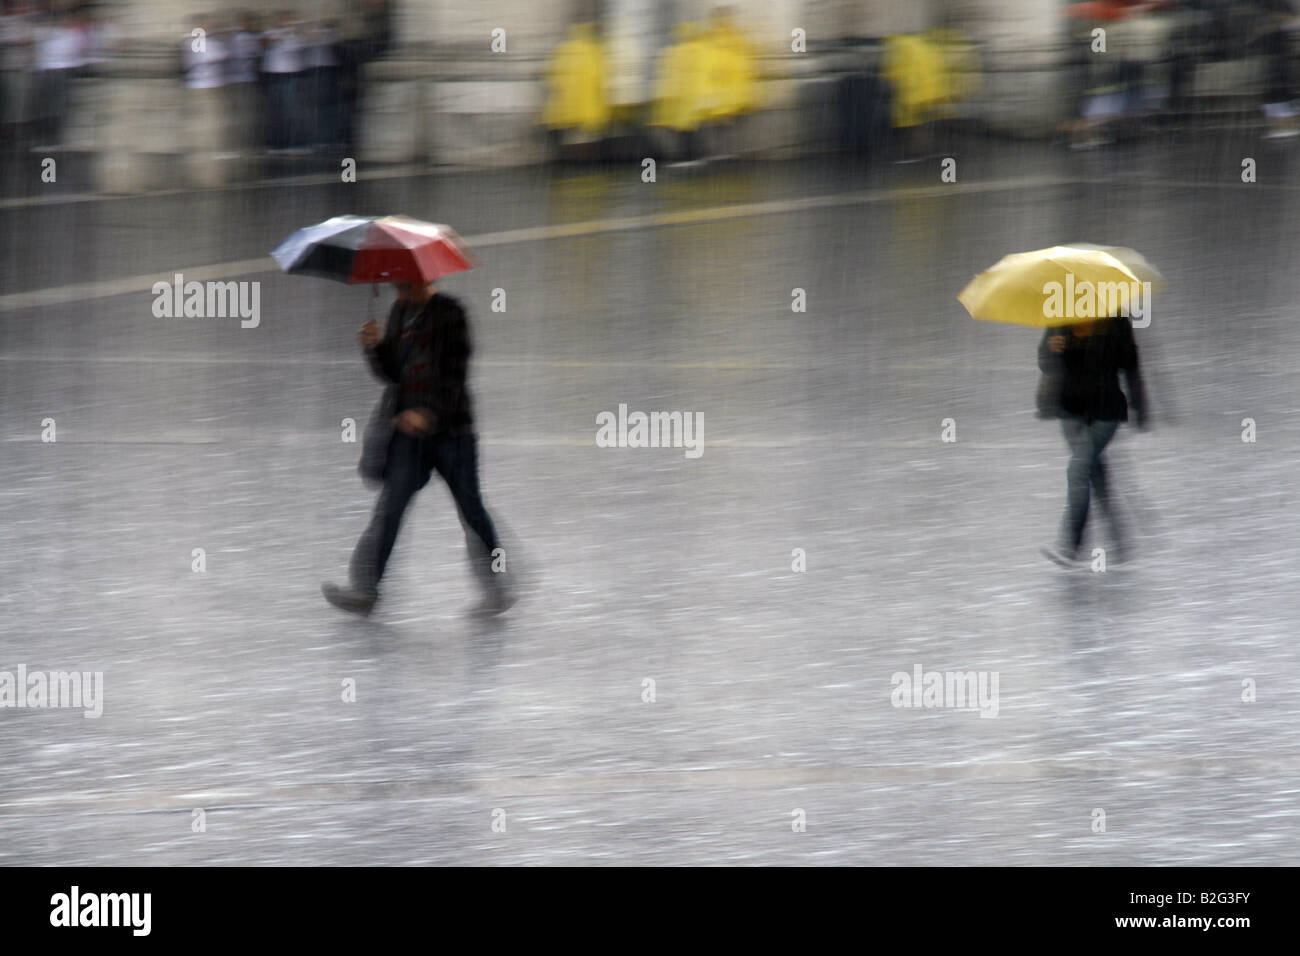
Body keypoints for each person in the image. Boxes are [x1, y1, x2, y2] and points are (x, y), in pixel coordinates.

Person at [323, 280, 514, 617]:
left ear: (426, 280)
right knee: (389, 509)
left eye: (407, 287)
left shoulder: (451, 313)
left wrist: (428, 413)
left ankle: (498, 587)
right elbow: (393, 374)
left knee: (471, 509)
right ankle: (365, 589)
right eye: (398, 287)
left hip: (454, 434)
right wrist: (375, 347)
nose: (401, 294)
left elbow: (456, 375)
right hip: (410, 439)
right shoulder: (400, 313)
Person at [1038, 313, 1147, 568]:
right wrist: (1050, 349)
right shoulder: (1061, 316)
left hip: (1106, 412)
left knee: (1078, 469)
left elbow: (1130, 365)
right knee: (1095, 476)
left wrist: (1140, 406)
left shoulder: (1116, 321)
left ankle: (1071, 546)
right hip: (1071, 411)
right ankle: (1122, 542)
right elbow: (1043, 359)